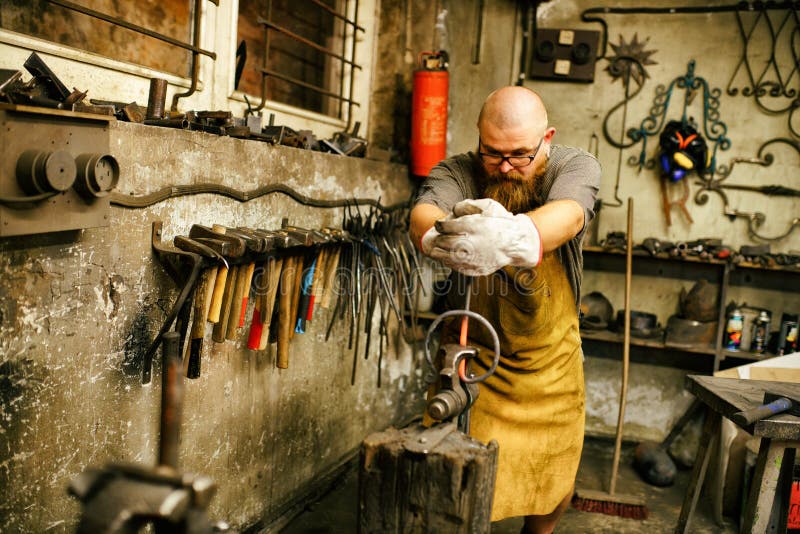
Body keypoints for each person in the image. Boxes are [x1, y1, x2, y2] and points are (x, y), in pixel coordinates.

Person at [409, 85, 600, 534]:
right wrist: (436, 239)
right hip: (474, 357)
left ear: (546, 138)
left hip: (549, 360)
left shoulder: (573, 166)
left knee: (552, 479)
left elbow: (570, 214)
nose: (506, 166)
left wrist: (512, 239)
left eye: (520, 155)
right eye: (493, 153)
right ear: (479, 139)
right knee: (457, 478)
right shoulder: (458, 170)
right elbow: (422, 212)